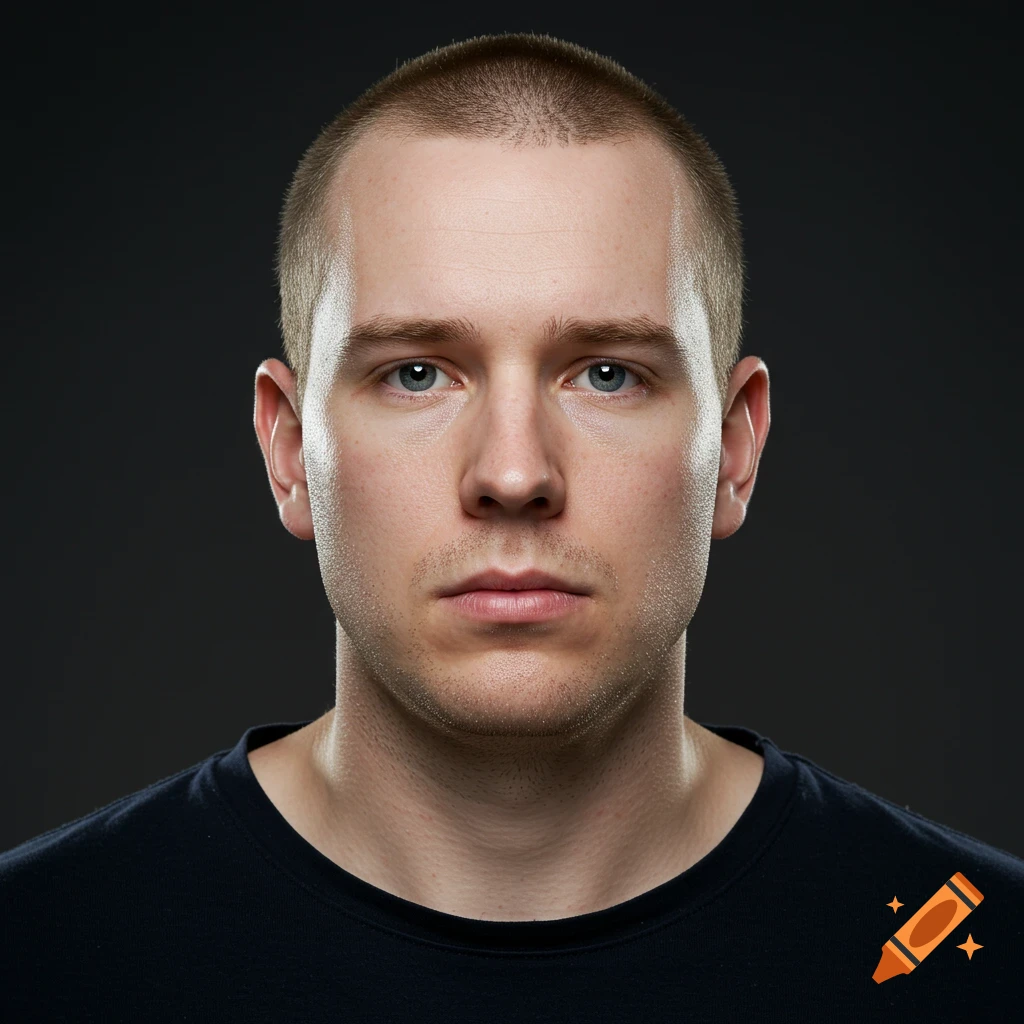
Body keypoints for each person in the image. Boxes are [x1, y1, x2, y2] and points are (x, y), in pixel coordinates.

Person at [2, 31, 1020, 1022]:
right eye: (415, 373)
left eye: (608, 373)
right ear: (286, 450)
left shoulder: (987, 959)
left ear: (736, 448)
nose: (514, 472)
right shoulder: (36, 953)